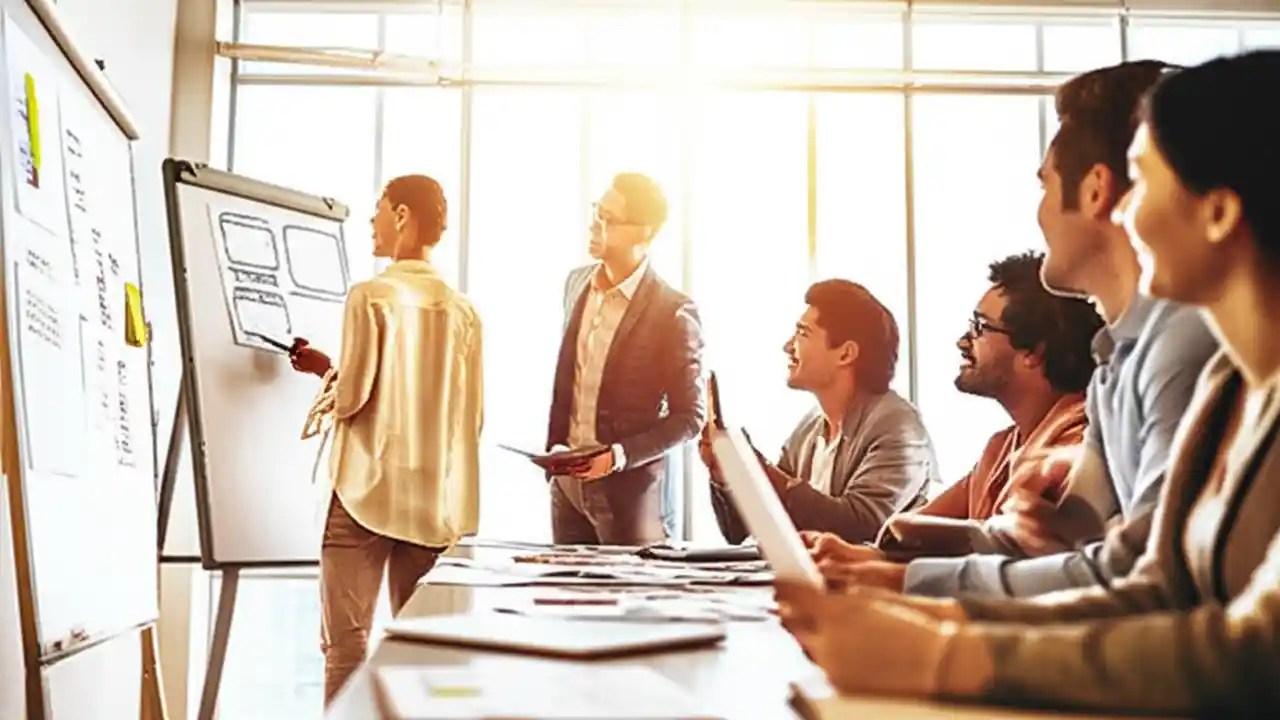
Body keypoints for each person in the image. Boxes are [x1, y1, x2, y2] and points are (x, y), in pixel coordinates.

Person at [776, 49, 1280, 717]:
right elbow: (1149, 579)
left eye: (1143, 184)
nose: (1127, 216)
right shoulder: (1225, 380)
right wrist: (932, 618)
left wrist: (942, 652)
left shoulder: (1196, 358)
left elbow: (1253, 655)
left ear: (1218, 212)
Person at [811, 59, 1218, 598]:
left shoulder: (1181, 346)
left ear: (1095, 191)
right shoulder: (1114, 361)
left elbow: (1142, 575)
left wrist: (908, 581)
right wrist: (890, 559)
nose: (1040, 212)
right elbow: (1070, 537)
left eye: (1045, 185)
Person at [290, 175, 483, 704]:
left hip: (364, 495)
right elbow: (472, 418)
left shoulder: (370, 296)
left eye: (378, 209)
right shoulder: (464, 312)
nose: (372, 222)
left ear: (401, 215)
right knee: (427, 657)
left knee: (346, 650)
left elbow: (352, 398)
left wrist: (326, 373)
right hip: (434, 503)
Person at [810, 252, 1102, 589]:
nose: (963, 341)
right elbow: (908, 532)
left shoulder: (1078, 446)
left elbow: (1028, 572)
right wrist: (854, 555)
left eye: (980, 328)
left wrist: (884, 560)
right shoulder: (1001, 448)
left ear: (1033, 353)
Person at [703, 280, 941, 544]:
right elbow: (744, 530)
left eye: (802, 333)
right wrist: (727, 474)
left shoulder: (898, 427)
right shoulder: (811, 425)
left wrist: (759, 470)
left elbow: (863, 526)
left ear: (845, 354)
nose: (788, 346)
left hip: (871, 572)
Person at [545, 172, 705, 545]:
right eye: (596, 211)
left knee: (631, 586)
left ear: (642, 233)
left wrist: (618, 456)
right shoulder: (576, 284)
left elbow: (690, 417)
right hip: (567, 485)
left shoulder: (672, 311)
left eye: (608, 218)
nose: (594, 225)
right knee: (562, 584)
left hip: (630, 496)